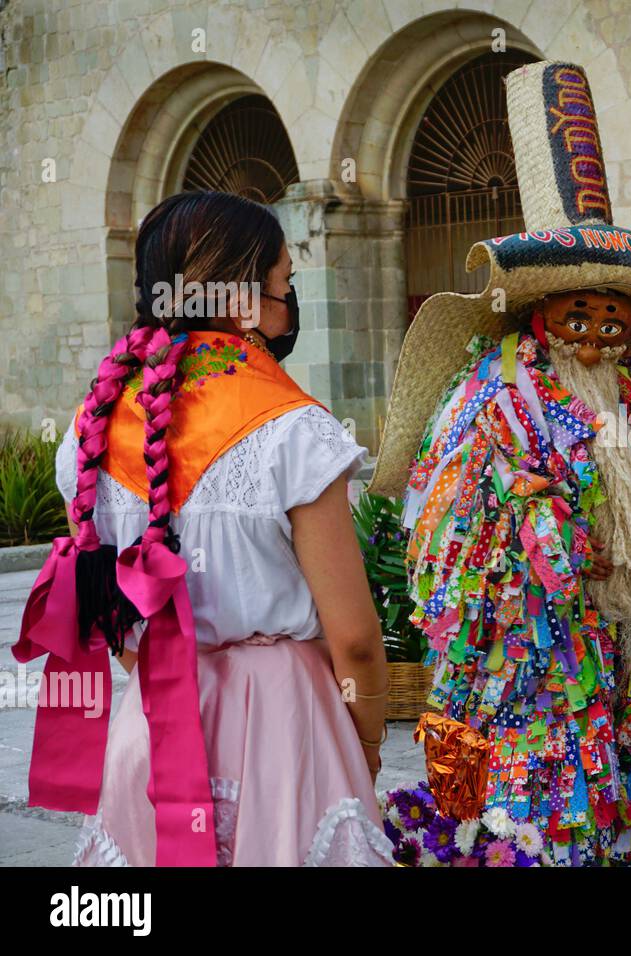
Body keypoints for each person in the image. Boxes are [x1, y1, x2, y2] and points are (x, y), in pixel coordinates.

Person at [367, 61, 631, 865]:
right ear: (540, 316)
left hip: (619, 631)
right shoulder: (491, 402)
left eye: (616, 323)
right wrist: (559, 553)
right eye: (582, 316)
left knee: (603, 756)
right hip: (528, 638)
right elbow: (456, 531)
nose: (600, 336)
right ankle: (508, 838)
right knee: (530, 751)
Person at [14, 191, 391, 866]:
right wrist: (362, 745)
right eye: (285, 285)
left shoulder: (91, 437)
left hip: (157, 727)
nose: (289, 303)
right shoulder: (295, 433)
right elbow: (357, 641)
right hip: (290, 735)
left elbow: (108, 611)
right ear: (246, 300)